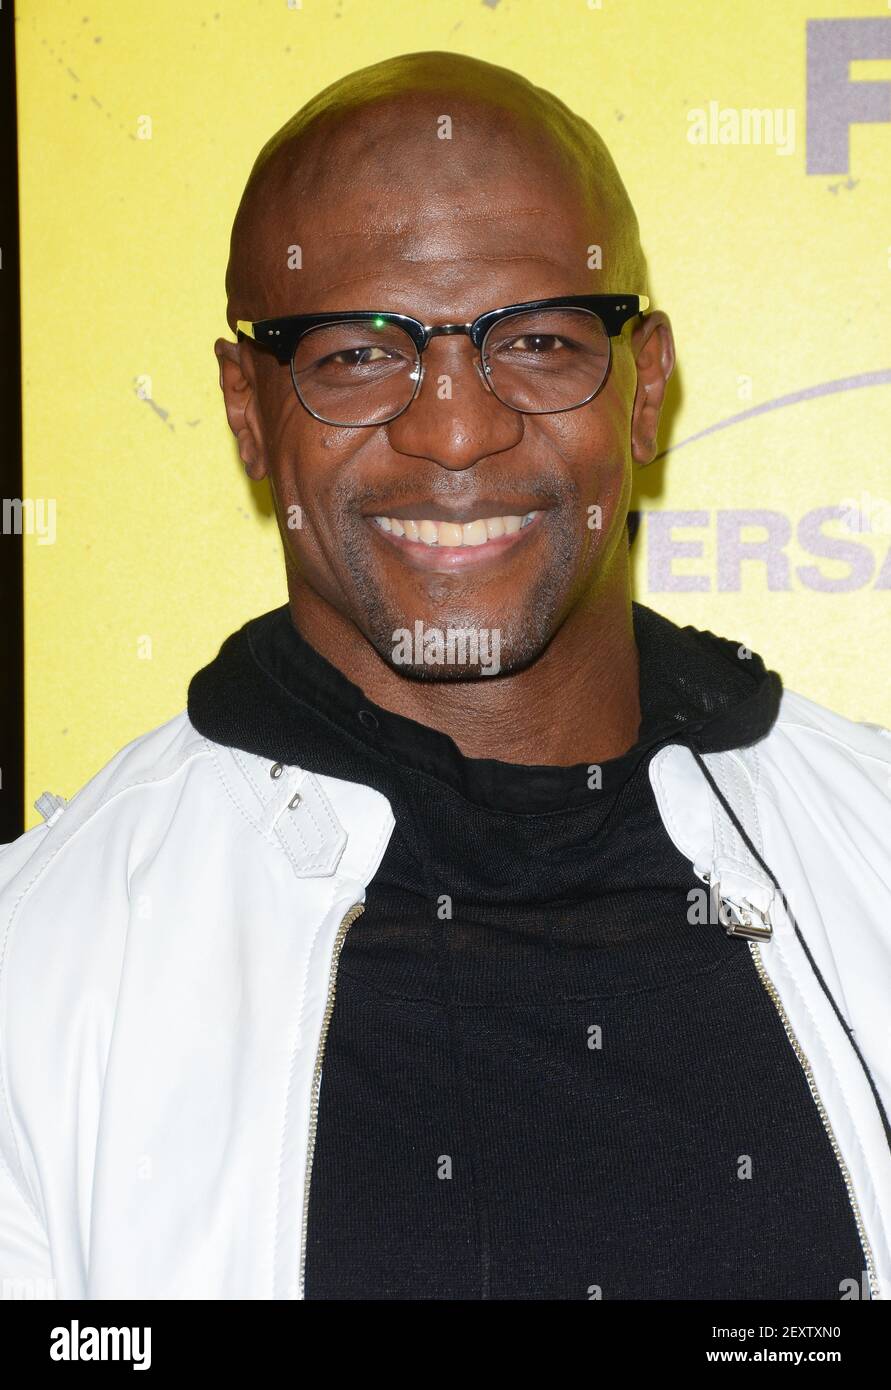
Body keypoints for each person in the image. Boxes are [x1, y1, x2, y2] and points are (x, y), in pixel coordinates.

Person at [2, 51, 890, 1303]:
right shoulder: (34, 971)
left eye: (534, 339)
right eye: (360, 354)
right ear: (246, 410)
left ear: (645, 388)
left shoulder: (875, 852)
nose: (458, 428)